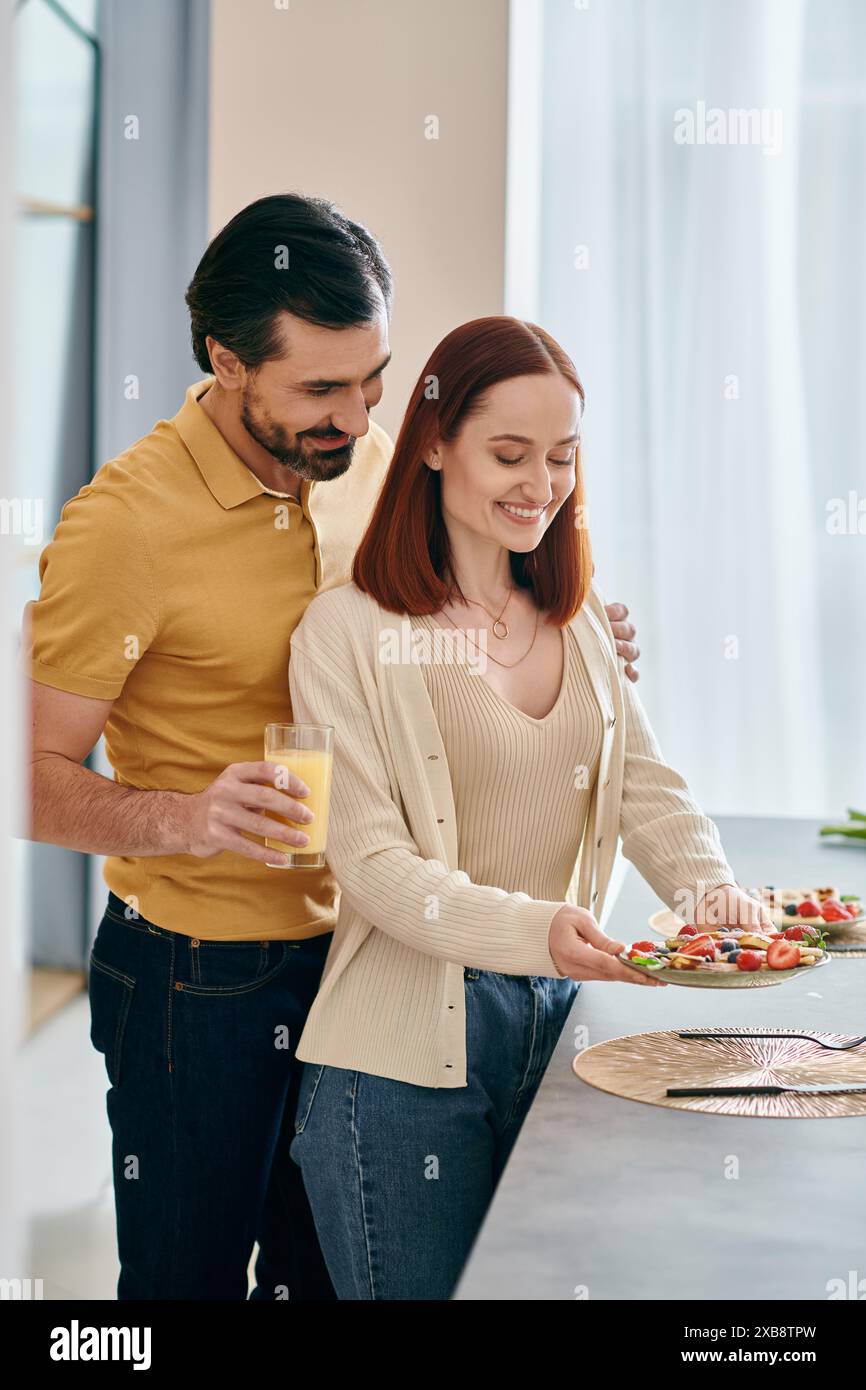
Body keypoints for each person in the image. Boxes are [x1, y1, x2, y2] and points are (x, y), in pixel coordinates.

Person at [22, 192, 644, 1300]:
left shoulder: (354, 481)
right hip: (197, 982)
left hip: (366, 958)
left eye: (373, 381)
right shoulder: (125, 526)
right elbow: (26, 774)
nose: (356, 422)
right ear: (225, 359)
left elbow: (418, 650)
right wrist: (182, 814)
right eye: (319, 389)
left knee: (327, 1279)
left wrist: (561, 633)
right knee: (185, 1287)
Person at [287, 315, 772, 1301]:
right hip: (396, 1070)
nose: (539, 484)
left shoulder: (578, 614)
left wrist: (710, 891)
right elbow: (371, 865)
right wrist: (535, 928)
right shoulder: (345, 632)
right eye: (508, 454)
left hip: (560, 1025)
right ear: (431, 443)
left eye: (560, 457)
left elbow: (641, 780)